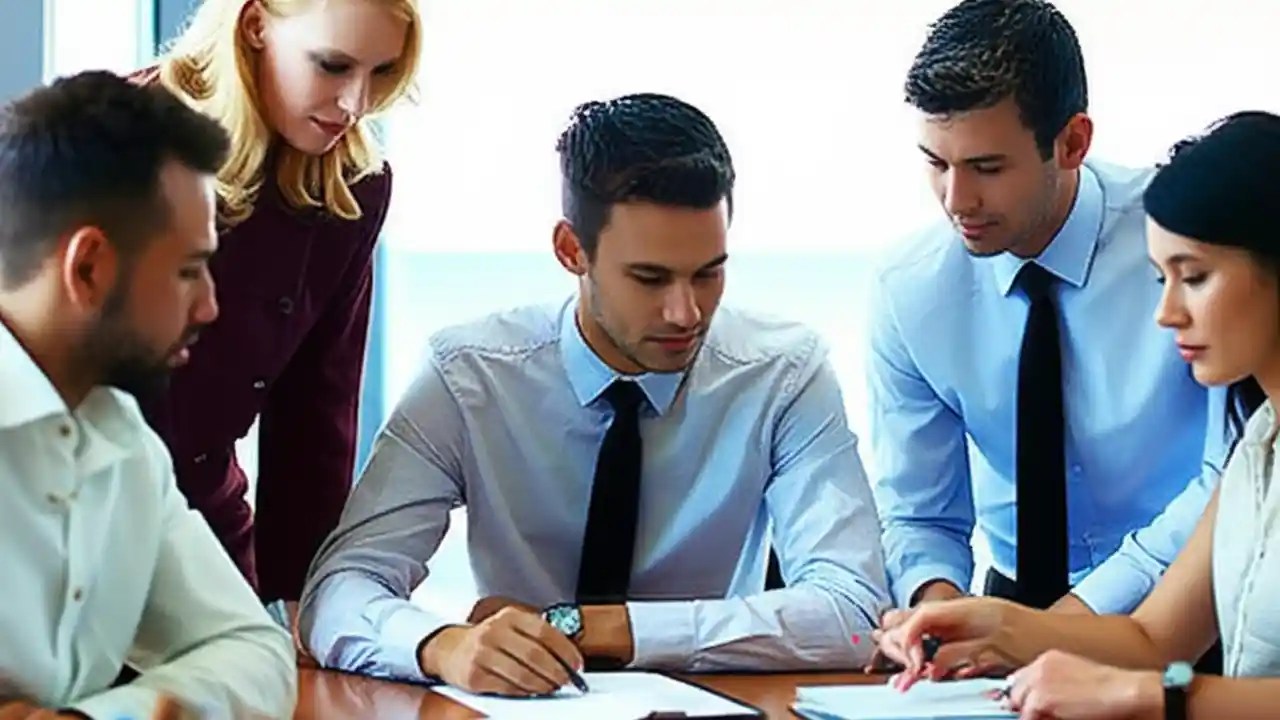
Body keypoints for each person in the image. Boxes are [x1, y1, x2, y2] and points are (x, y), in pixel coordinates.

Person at [299, 92, 891, 695]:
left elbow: (856, 612)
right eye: (650, 277)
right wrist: (444, 645)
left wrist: (586, 628)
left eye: (709, 272)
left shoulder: (784, 376)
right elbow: (338, 593)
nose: (687, 312)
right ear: (570, 250)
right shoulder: (468, 376)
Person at [873, 110, 1280, 720]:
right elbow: (1152, 640)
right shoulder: (1255, 449)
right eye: (1159, 278)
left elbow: (1154, 671)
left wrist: (1145, 695)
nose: (1165, 313)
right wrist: (992, 624)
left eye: (1193, 277)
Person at [868, 0, 1225, 623]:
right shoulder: (910, 291)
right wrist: (938, 611)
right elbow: (920, 513)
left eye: (986, 167)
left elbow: (1227, 474)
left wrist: (1066, 624)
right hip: (1010, 603)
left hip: (1190, 603)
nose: (957, 200)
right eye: (936, 163)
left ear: (1072, 142)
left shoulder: (1181, 242)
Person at [0, 71, 295, 720]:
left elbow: (254, 649)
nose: (212, 306)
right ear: (89, 268)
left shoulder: (125, 442)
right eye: (189, 270)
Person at [134, 0, 422, 603]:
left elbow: (318, 420)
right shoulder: (110, 140)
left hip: (207, 538)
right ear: (255, 23)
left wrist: (299, 608)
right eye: (333, 65)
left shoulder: (353, 187)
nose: (355, 104)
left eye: (381, 72)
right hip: (58, 528)